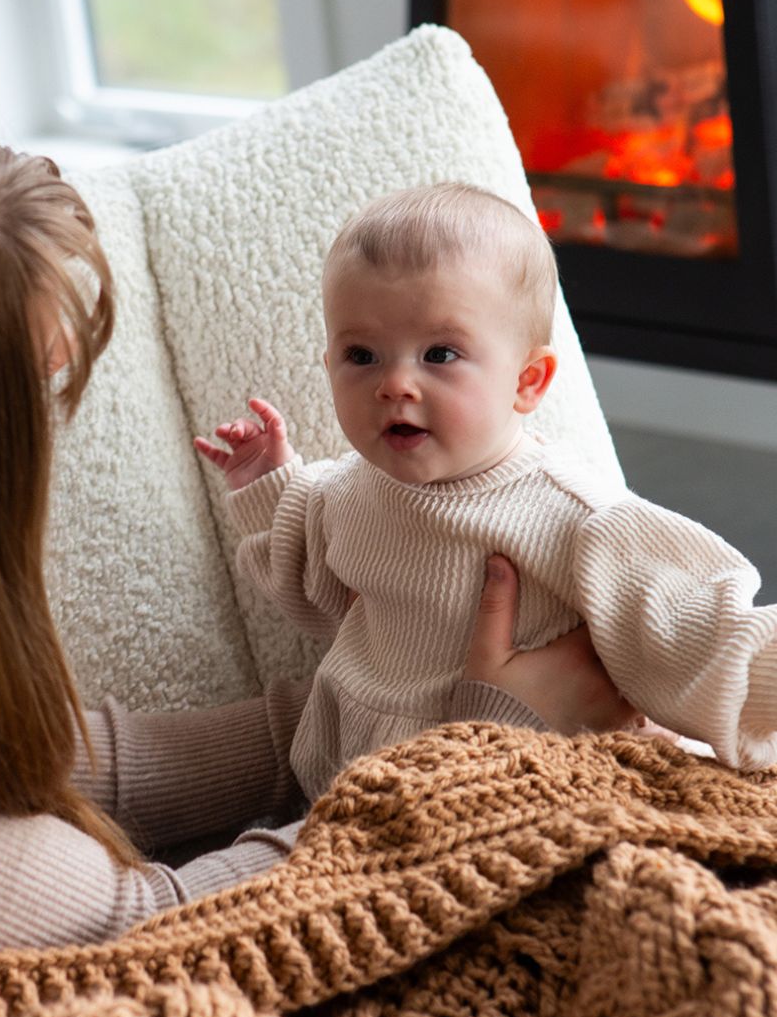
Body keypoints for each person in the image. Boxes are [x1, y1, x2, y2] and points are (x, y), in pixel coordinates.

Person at [0, 102, 630, 975]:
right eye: (25, 405)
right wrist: (487, 763)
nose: (45, 449)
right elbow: (149, 934)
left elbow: (77, 758)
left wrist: (387, 704)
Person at [196, 180, 777, 803]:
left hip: (509, 797)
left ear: (528, 381)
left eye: (439, 353)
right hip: (345, 784)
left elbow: (696, 637)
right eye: (361, 355)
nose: (394, 384)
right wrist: (268, 484)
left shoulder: (576, 519)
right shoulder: (346, 491)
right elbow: (312, 594)